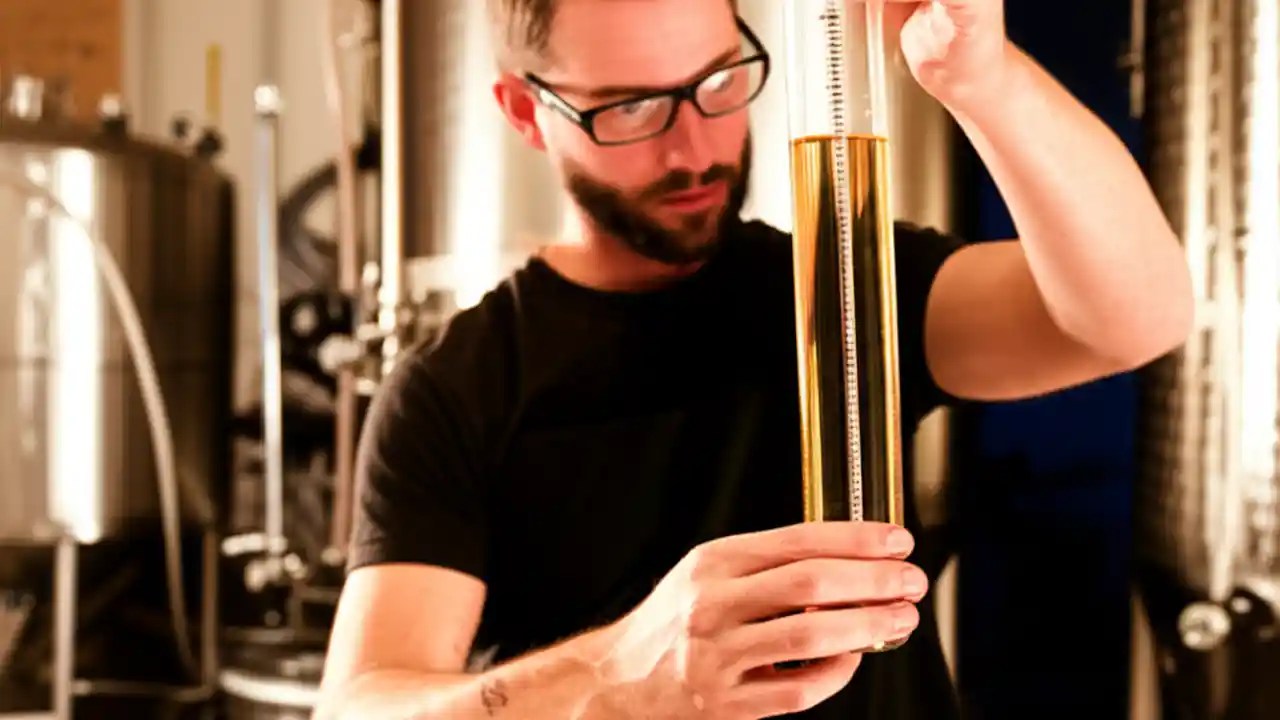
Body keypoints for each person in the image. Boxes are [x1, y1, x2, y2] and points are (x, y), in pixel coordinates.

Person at [314, 0, 1194, 717]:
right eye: (631, 106)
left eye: (718, 83)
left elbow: (1133, 320)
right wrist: (617, 675)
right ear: (524, 112)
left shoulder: (843, 283)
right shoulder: (455, 389)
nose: (693, 148)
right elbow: (359, 708)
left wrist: (981, 79)